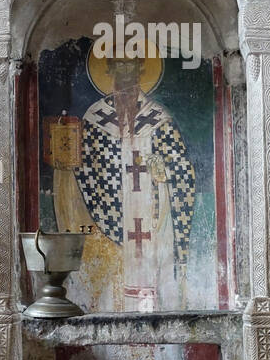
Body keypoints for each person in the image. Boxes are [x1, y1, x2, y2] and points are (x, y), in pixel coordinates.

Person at [53, 47, 195, 312]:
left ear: (142, 70)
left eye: (131, 66)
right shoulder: (95, 118)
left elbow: (182, 169)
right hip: (106, 216)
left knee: (153, 271)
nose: (125, 74)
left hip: (152, 215)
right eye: (119, 66)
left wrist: (164, 172)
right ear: (109, 71)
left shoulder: (159, 118)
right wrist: (66, 161)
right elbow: (83, 169)